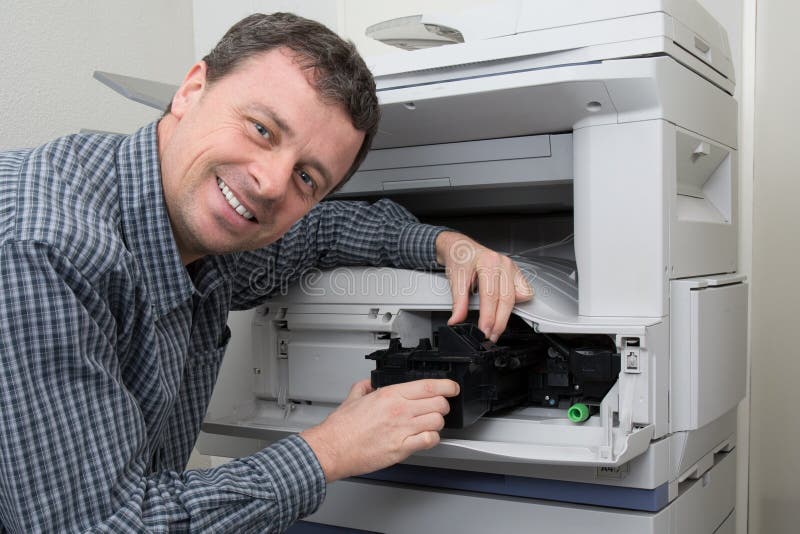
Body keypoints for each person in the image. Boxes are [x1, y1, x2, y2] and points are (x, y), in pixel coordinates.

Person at [0, 12, 531, 533]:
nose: (273, 184)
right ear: (191, 89)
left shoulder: (207, 231)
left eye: (307, 177)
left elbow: (323, 232)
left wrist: (446, 244)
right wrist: (329, 450)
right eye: (262, 129)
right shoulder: (45, 250)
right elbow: (96, 524)